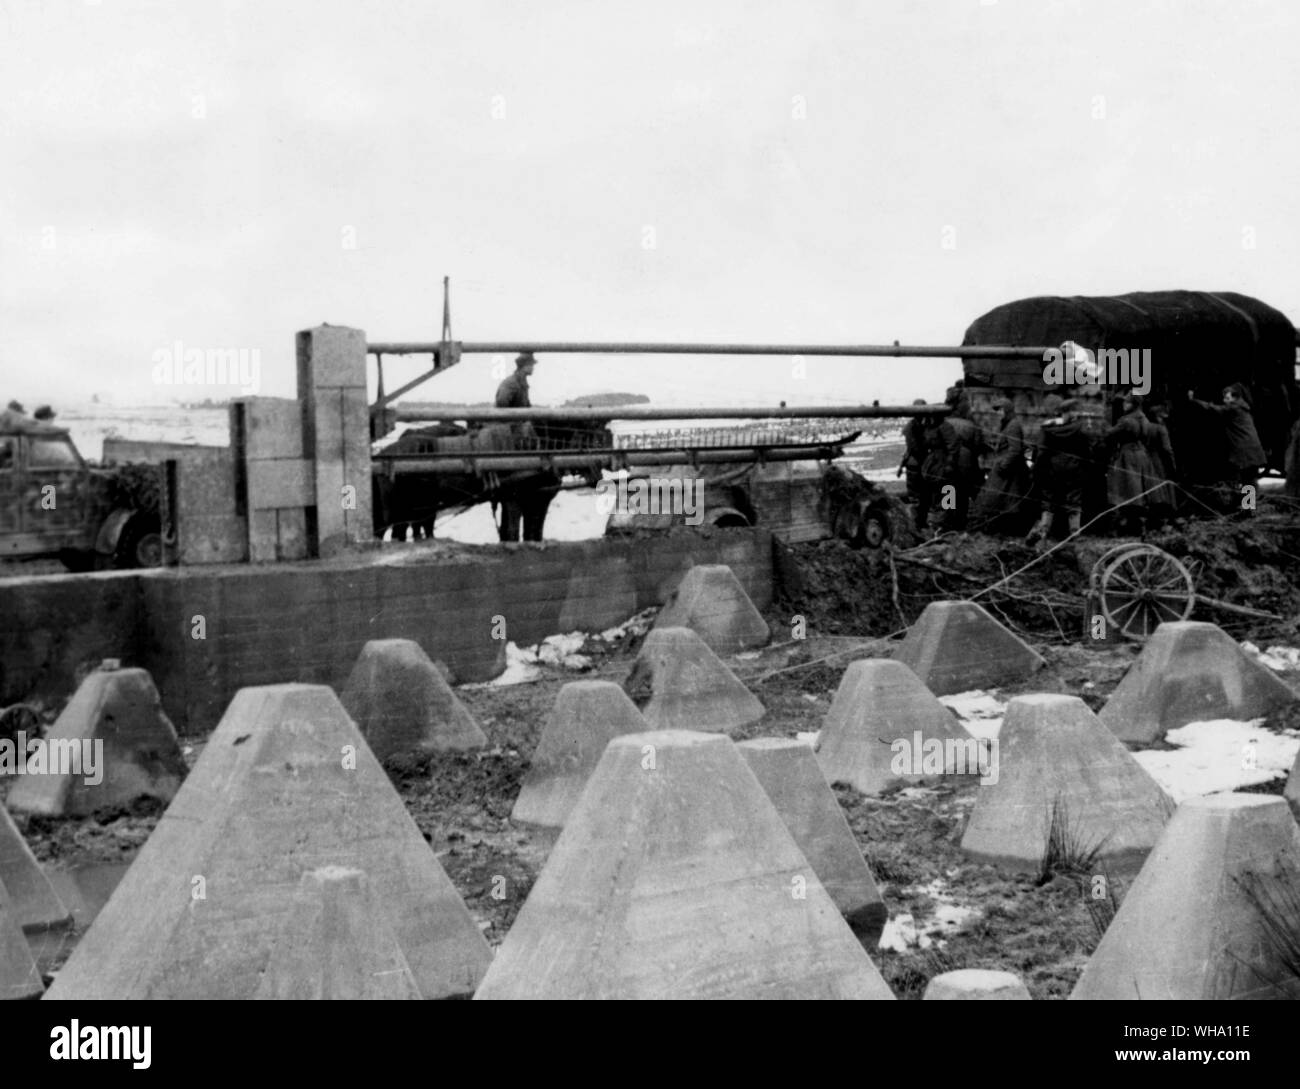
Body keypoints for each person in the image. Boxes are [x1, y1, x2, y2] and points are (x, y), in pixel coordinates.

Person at [1026, 398, 1091, 546]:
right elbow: (1086, 452)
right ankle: (1075, 534)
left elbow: (1041, 453)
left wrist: (1036, 470)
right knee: (1074, 501)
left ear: (1061, 413)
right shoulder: (1080, 429)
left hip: (1052, 470)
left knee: (1048, 501)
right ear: (1073, 413)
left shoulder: (1048, 429)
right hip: (1074, 470)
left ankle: (1043, 532)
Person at [1185, 383, 1266, 490]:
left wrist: (1194, 400)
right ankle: (1249, 504)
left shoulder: (1234, 408)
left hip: (1245, 450)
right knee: (1250, 479)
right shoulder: (1243, 407)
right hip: (1252, 449)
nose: (1224, 401)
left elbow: (1212, 408)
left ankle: (1248, 504)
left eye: (1227, 398)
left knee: (1246, 480)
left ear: (1235, 398)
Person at [970, 397, 1030, 532]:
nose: (998, 413)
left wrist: (1004, 465)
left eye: (1000, 410)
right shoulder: (1009, 424)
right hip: (1006, 468)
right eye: (997, 410)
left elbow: (1015, 449)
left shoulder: (1013, 425)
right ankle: (1001, 526)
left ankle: (1002, 527)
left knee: (999, 498)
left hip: (1008, 470)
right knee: (1004, 499)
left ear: (1007, 410)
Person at [1105, 394, 1162, 535]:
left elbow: (1109, 434)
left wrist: (1104, 427)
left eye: (1127, 403)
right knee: (1140, 491)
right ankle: (1141, 527)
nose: (1124, 405)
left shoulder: (1126, 421)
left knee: (1120, 489)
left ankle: (1118, 528)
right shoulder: (1144, 418)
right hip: (1142, 454)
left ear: (1133, 404)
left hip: (1127, 456)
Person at [1144, 402, 1179, 527]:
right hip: (1159, 460)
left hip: (1145, 459)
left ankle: (1152, 518)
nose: (1164, 420)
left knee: (1150, 489)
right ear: (1157, 416)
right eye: (1162, 417)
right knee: (1164, 489)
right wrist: (1173, 465)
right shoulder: (1161, 429)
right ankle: (1166, 518)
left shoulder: (1145, 426)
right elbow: (1167, 449)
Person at [898, 399, 931, 529]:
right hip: (916, 464)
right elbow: (915, 448)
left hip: (920, 464)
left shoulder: (922, 425)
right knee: (916, 498)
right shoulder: (912, 427)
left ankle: (921, 523)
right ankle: (915, 526)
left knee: (925, 497)